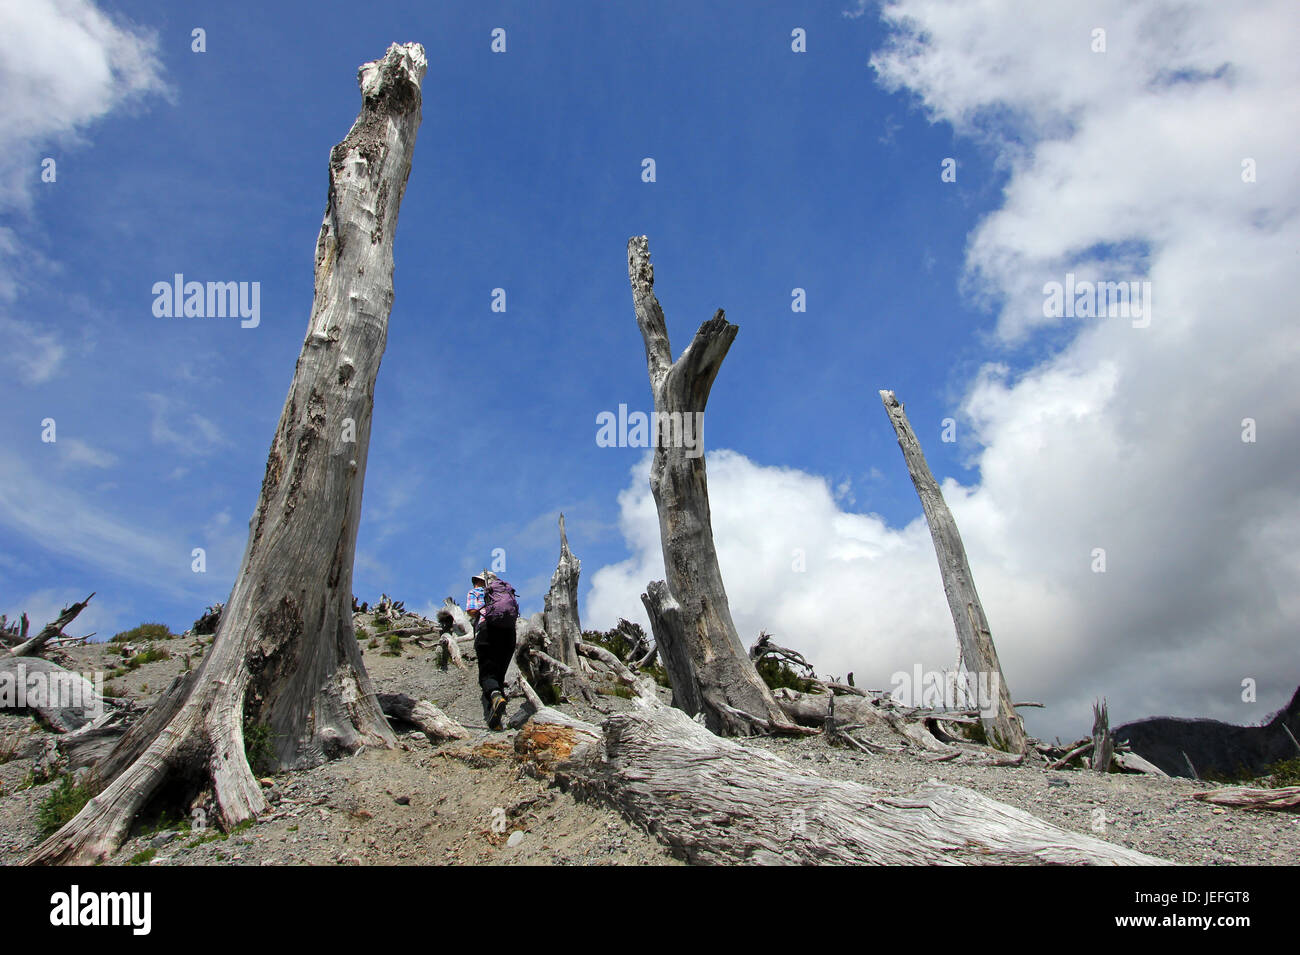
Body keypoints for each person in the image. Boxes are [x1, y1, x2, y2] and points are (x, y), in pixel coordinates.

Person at [469, 570, 519, 729]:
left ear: (480, 581)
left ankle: (496, 697)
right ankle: (496, 719)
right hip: (509, 633)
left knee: (486, 675)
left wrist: (482, 609)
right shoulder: (504, 592)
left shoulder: (477, 592)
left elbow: (471, 611)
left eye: (476, 581)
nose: (474, 583)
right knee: (499, 674)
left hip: (487, 630)